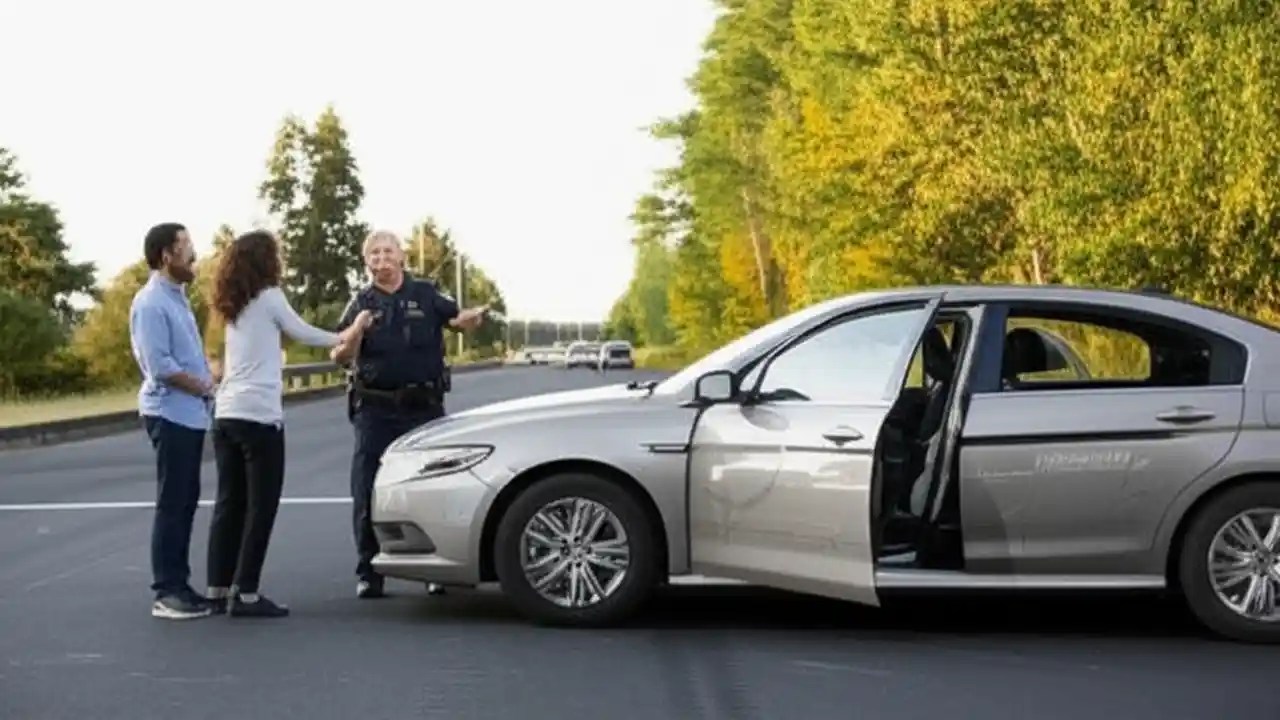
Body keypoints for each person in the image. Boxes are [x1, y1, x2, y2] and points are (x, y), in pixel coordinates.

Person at [205, 230, 372, 617]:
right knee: (261, 505)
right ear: (266, 260)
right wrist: (349, 333)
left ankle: (218, 586)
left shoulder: (231, 305)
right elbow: (302, 332)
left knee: (229, 502)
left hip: (226, 412)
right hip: (259, 415)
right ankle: (246, 593)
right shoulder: (270, 297)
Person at [331, 229, 487, 599]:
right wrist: (356, 330)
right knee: (366, 488)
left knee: (433, 486)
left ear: (401, 258)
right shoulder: (361, 302)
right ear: (366, 262)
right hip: (376, 409)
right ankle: (369, 570)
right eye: (374, 254)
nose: (381, 259)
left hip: (424, 409)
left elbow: (457, 319)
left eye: (387, 252)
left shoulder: (425, 294)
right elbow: (338, 355)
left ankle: (435, 569)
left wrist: (472, 318)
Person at [129, 222, 217, 620]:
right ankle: (166, 591)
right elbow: (160, 366)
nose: (194, 255)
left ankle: (180, 585)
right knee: (173, 503)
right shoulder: (150, 303)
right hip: (169, 412)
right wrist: (203, 386)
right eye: (187, 247)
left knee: (184, 502)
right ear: (167, 255)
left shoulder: (177, 298)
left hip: (189, 415)